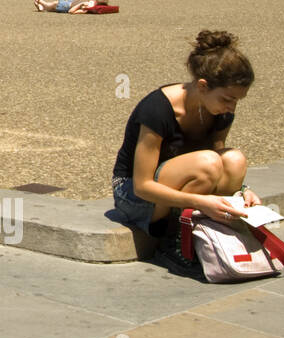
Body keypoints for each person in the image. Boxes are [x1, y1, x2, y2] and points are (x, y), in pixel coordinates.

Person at [111, 30, 259, 274]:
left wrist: (242, 191)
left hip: (178, 183)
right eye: (227, 99)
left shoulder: (221, 111)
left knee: (234, 160)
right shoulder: (158, 109)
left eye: (237, 101)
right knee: (208, 163)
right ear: (202, 86)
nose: (231, 108)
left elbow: (220, 161)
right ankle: (176, 242)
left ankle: (207, 233)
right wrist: (200, 201)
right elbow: (141, 185)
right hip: (133, 194)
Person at [34, 0, 112, 14]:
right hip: (70, 2)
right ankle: (41, 8)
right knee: (51, 8)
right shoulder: (89, 6)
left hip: (67, 6)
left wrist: (81, 4)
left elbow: (71, 11)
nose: (93, 1)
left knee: (52, 4)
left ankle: (41, 2)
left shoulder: (86, 9)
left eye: (95, 1)